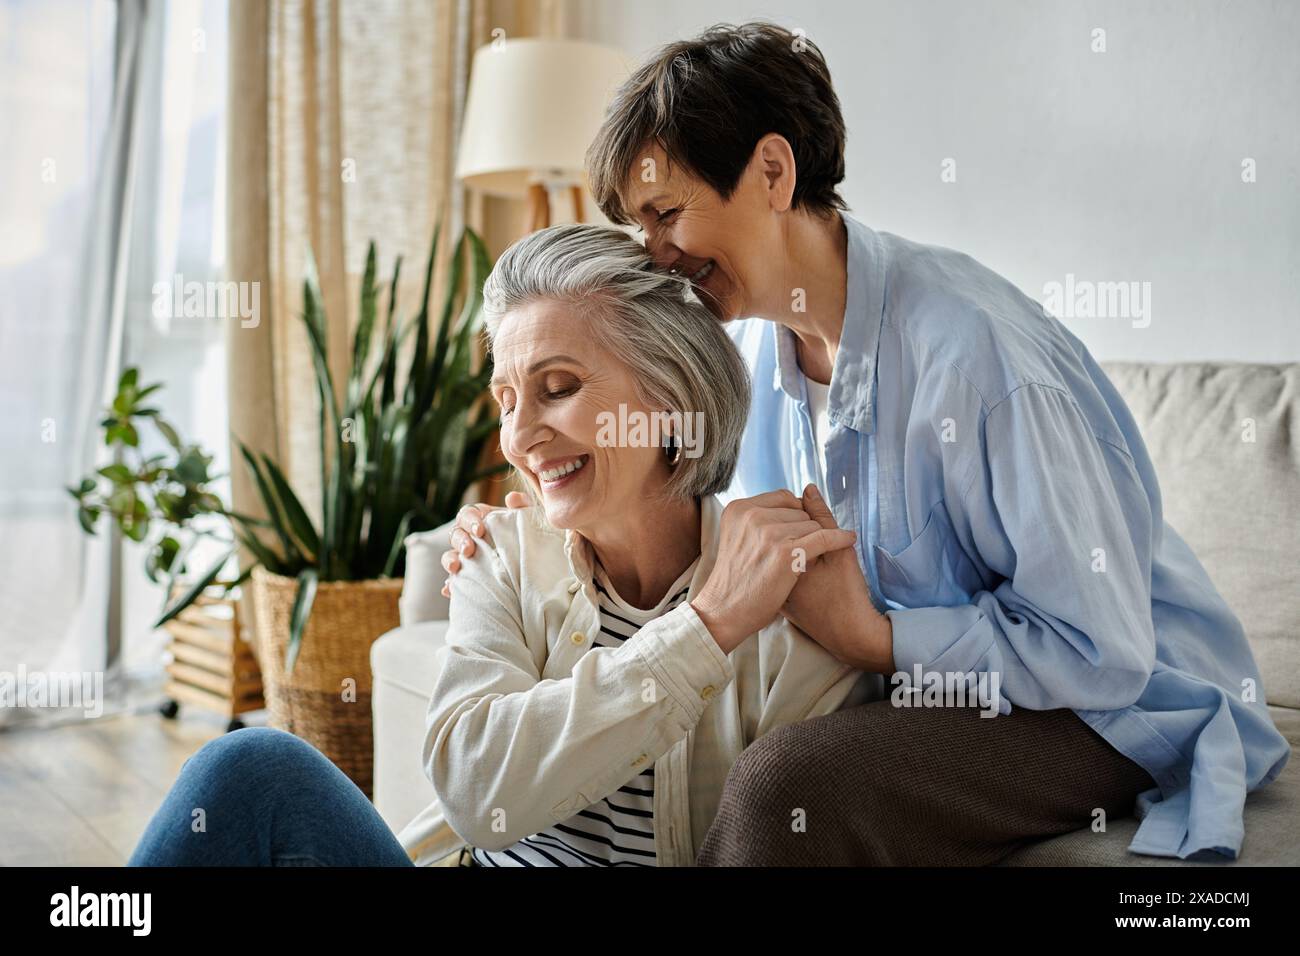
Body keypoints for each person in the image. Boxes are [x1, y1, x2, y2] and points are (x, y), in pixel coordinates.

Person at [441, 21, 1290, 864]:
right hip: (930, 692)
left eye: (666, 215)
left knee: (791, 786)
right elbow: (668, 496)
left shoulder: (976, 359)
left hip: (1103, 706)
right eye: (638, 226)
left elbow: (1098, 652)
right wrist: (533, 534)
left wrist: (878, 640)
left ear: (773, 171)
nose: (656, 258)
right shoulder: (743, 345)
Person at [130, 223, 881, 867]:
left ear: (672, 397)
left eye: (558, 388)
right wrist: (704, 628)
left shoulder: (787, 603)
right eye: (507, 400)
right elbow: (473, 788)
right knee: (255, 765)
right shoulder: (506, 552)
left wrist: (729, 622)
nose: (519, 438)